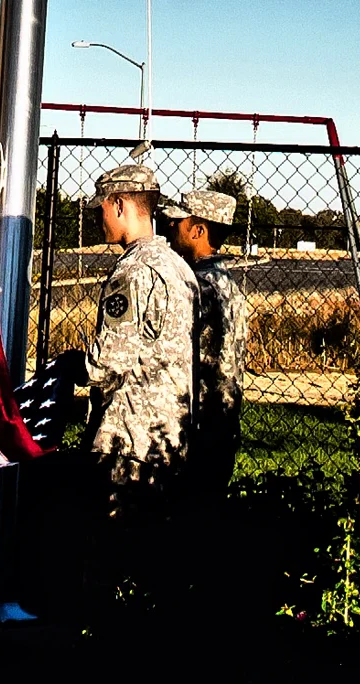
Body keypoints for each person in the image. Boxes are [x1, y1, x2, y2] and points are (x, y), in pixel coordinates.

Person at [73, 164, 199, 603]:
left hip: (127, 438)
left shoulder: (132, 272)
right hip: (169, 434)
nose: (99, 218)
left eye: (102, 208)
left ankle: (96, 645)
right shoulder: (179, 269)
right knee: (155, 566)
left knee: (106, 563)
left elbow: (108, 362)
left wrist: (71, 367)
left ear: (121, 205)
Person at [161, 189, 246, 493]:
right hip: (221, 421)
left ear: (198, 231)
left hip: (197, 425)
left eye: (178, 223)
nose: (170, 228)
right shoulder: (227, 283)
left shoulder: (195, 287)